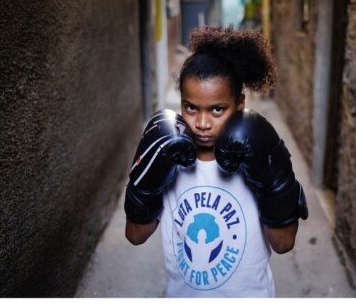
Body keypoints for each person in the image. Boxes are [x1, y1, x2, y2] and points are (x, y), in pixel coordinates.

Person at [123, 26, 308, 296]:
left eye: (217, 109)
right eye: (191, 107)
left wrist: (275, 180)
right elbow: (135, 236)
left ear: (240, 104)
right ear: (181, 103)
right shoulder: (170, 155)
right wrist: (143, 186)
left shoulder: (256, 152)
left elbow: (283, 244)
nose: (202, 123)